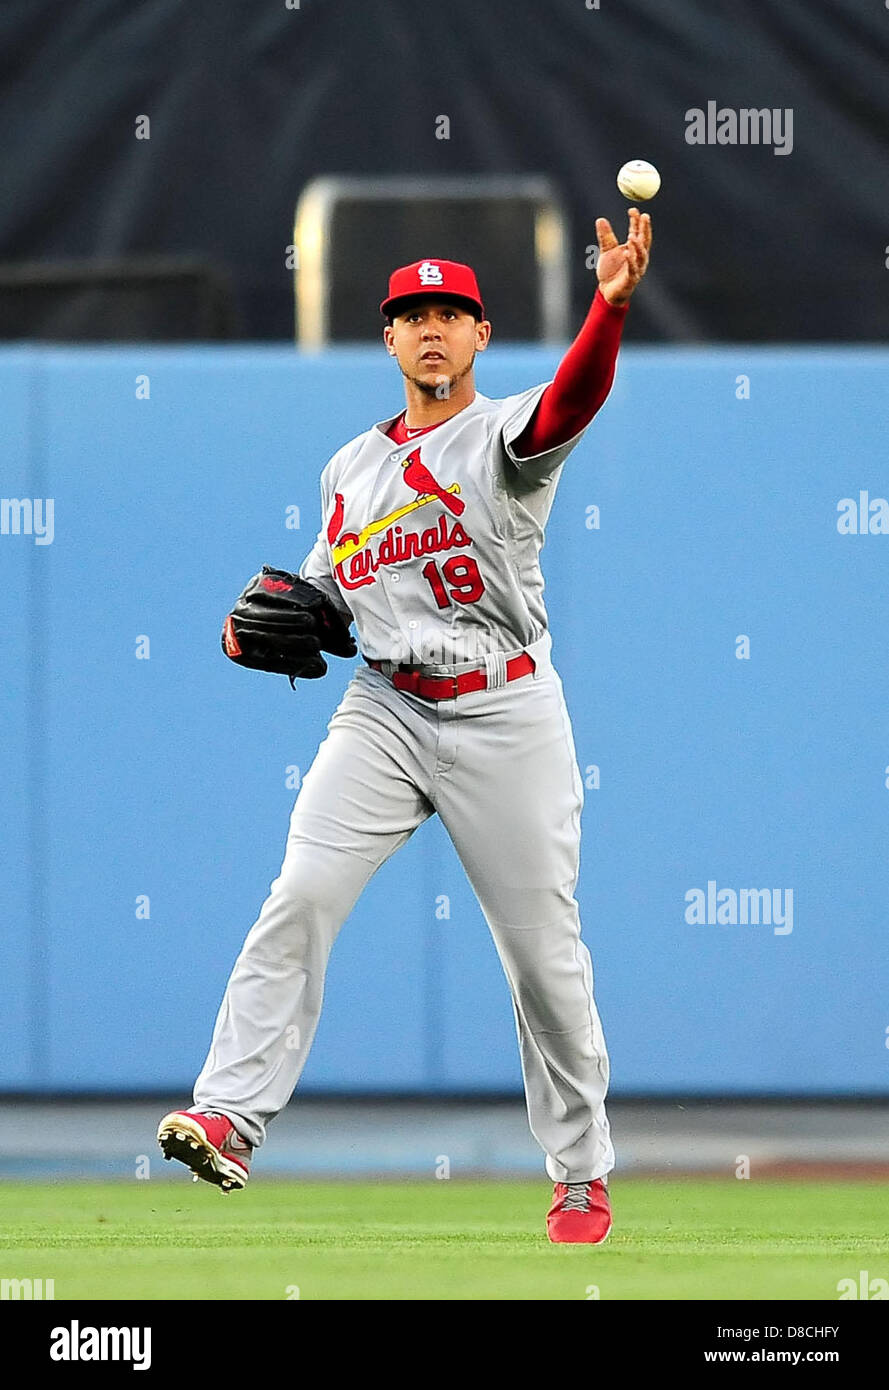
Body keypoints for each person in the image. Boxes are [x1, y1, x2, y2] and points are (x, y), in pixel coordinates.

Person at [158, 209, 652, 1244]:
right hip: (383, 708)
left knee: (540, 956)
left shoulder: (504, 436)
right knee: (299, 894)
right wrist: (247, 632)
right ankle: (229, 1116)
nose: (432, 329)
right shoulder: (349, 469)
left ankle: (579, 1173)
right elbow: (324, 592)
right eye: (412, 315)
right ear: (387, 339)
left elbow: (575, 398)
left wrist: (606, 311)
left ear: (479, 335)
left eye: (451, 313)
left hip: (505, 707)